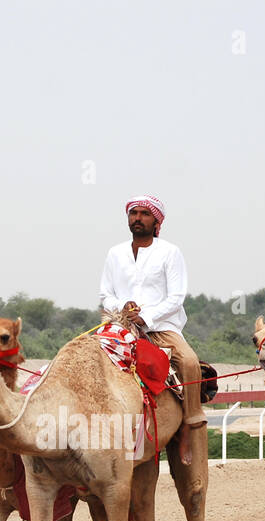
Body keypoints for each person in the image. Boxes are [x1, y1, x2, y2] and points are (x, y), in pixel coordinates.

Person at [98, 194, 207, 471]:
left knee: (190, 363)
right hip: (119, 327)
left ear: (156, 221)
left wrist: (145, 316)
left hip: (160, 327)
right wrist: (122, 307)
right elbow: (105, 294)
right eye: (133, 213)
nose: (138, 218)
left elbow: (176, 297)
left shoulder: (170, 252)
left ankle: (188, 426)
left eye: (145, 214)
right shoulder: (115, 253)